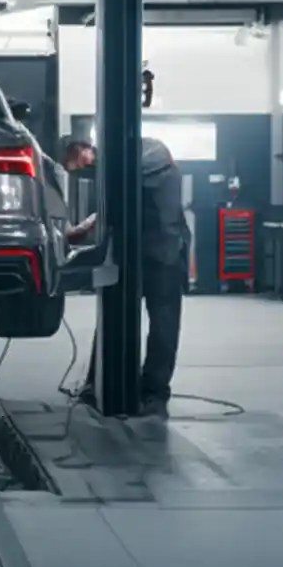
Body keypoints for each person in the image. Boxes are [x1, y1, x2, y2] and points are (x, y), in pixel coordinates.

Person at [62, 137, 189, 418]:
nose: (84, 168)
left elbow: (129, 193)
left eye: (78, 161)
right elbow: (119, 202)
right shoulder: (122, 163)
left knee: (162, 322)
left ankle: (153, 392)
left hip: (161, 250)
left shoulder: (144, 155)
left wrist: (89, 225)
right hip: (137, 249)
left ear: (85, 148)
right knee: (114, 316)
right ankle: (99, 383)